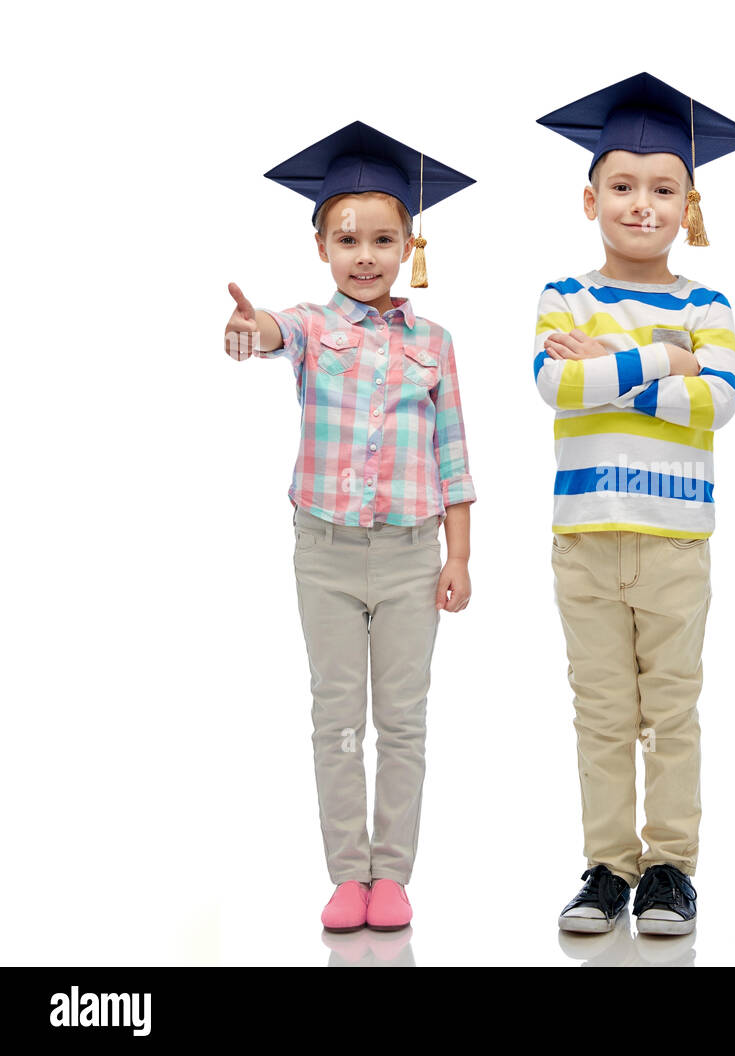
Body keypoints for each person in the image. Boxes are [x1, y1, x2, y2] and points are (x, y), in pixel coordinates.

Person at [223, 121, 477, 932]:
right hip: (325, 554)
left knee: (403, 718)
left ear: (409, 243)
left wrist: (459, 557)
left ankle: (392, 874)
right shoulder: (310, 327)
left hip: (410, 556)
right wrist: (249, 327)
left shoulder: (434, 344)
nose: (364, 255)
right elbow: (270, 333)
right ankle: (346, 875)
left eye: (382, 239)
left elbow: (455, 458)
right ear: (321, 246)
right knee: (335, 715)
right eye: (346, 240)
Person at [533, 72, 735, 935]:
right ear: (590, 196)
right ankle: (605, 867)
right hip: (585, 537)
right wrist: (668, 360)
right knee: (599, 710)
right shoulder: (563, 295)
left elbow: (725, 402)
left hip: (674, 542)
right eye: (622, 187)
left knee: (670, 711)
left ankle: (669, 867)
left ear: (688, 203)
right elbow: (560, 384)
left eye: (663, 189)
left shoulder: (711, 302)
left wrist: (613, 362)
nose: (641, 205)